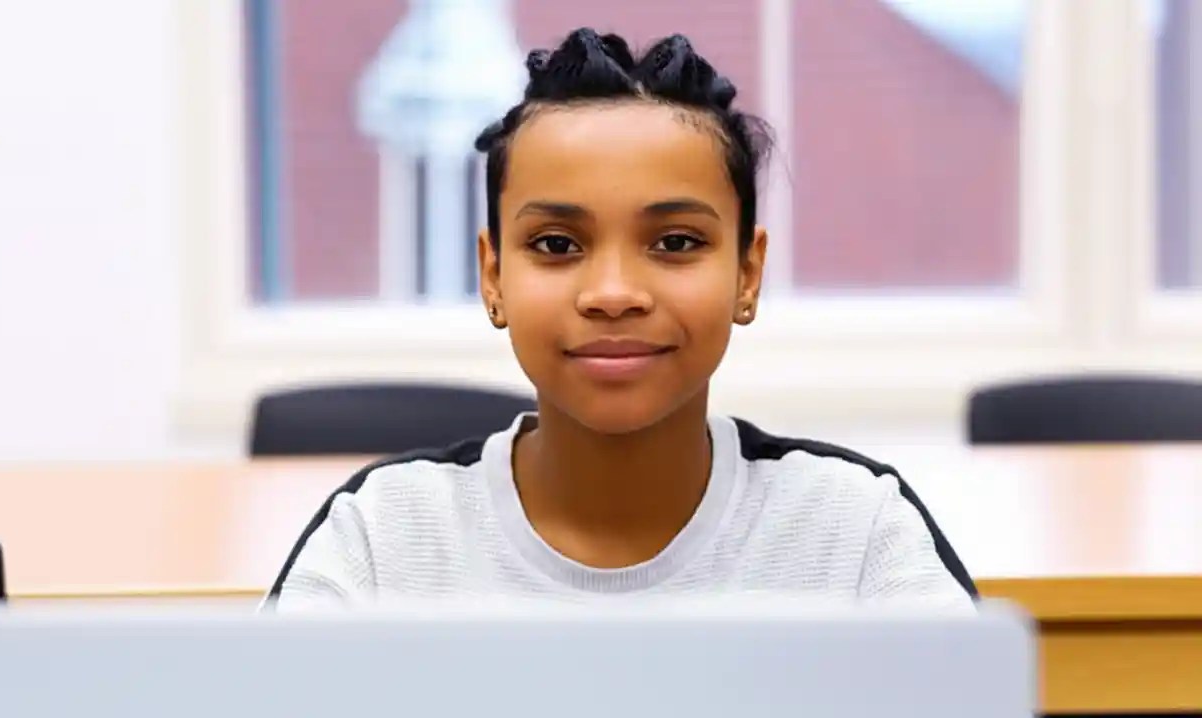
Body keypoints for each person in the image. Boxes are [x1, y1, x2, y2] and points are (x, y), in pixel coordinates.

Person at [268, 28, 976, 610]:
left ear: (747, 274)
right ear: (493, 277)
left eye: (675, 243)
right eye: (556, 245)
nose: (612, 292)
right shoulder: (382, 540)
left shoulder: (855, 533)